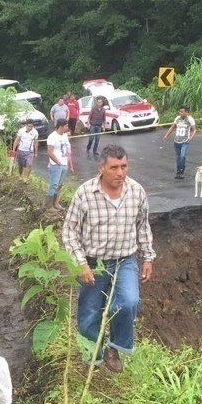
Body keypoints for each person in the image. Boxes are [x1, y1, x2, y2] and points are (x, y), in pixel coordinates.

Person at [61, 144, 155, 373]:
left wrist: (148, 258)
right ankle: (92, 356)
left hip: (125, 260)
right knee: (90, 310)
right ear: (101, 168)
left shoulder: (136, 191)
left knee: (128, 302)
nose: (120, 173)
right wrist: (81, 263)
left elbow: (143, 226)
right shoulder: (85, 193)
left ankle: (114, 348)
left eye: (124, 167)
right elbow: (70, 230)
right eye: (114, 168)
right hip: (94, 262)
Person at [45, 119, 74, 210]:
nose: (67, 127)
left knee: (60, 185)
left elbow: (67, 151)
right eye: (66, 126)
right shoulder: (52, 136)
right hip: (56, 164)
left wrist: (69, 164)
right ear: (61, 126)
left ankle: (56, 203)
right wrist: (57, 162)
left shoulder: (65, 136)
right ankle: (48, 205)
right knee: (54, 184)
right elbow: (49, 152)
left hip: (64, 163)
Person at [163, 106, 196, 179]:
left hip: (184, 141)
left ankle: (182, 170)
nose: (180, 113)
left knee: (182, 156)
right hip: (176, 141)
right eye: (179, 111)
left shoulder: (190, 119)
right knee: (178, 157)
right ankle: (178, 171)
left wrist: (191, 138)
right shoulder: (177, 118)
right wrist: (166, 135)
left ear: (186, 112)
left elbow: (194, 129)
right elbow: (172, 127)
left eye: (182, 111)